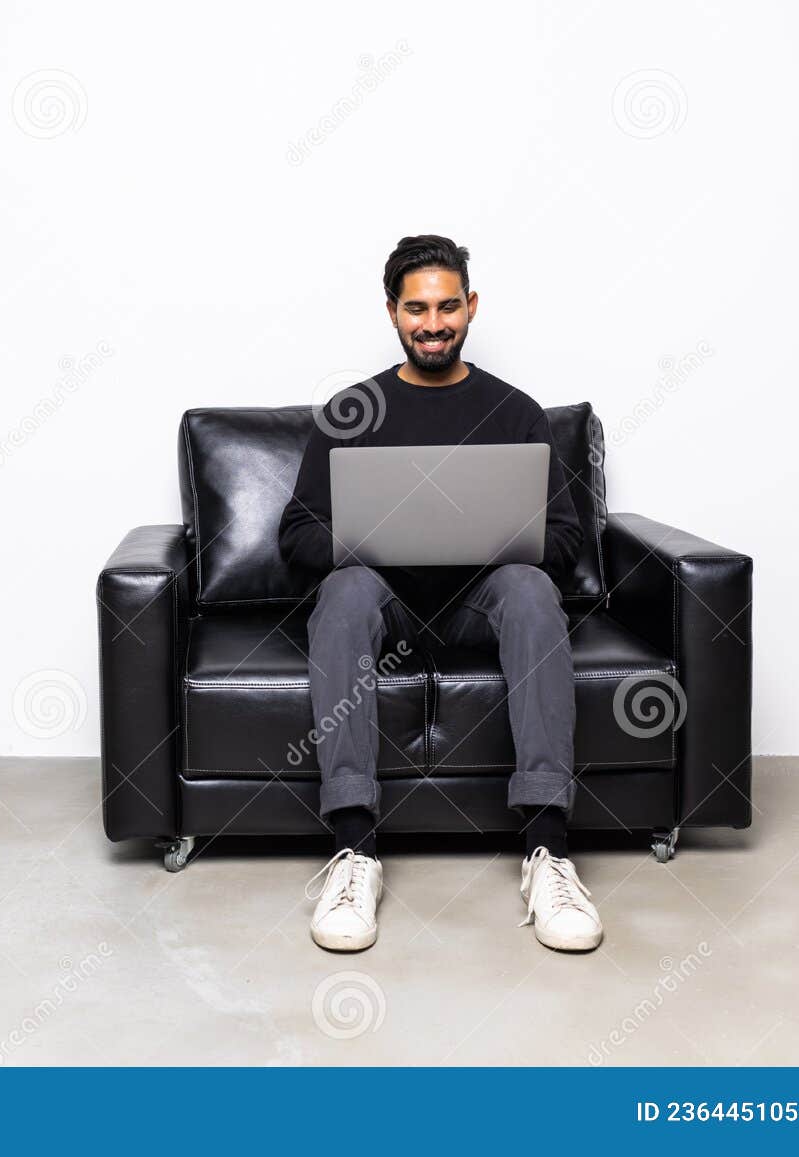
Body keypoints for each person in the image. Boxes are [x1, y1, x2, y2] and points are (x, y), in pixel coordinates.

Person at [278, 234, 604, 954]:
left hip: (481, 605)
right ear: (393, 312)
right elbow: (295, 539)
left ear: (471, 307)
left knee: (529, 587)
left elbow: (567, 540)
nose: (434, 323)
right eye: (417, 308)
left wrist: (483, 532)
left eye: (448, 306)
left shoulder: (516, 412)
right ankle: (355, 849)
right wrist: (377, 534)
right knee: (345, 590)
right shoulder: (352, 411)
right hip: (384, 606)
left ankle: (547, 851)